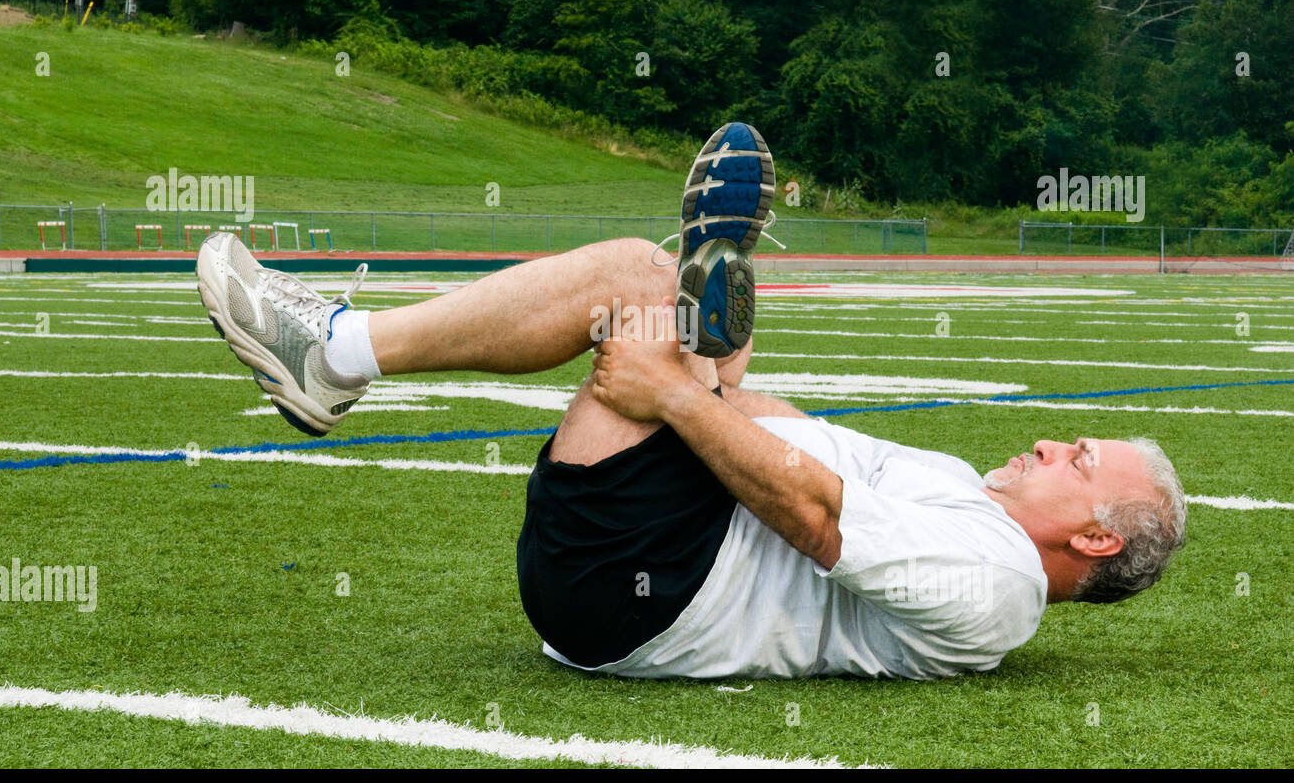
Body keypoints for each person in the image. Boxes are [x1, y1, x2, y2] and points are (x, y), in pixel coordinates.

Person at [194, 123, 1187, 680]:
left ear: (1095, 539)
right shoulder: (959, 492)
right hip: (678, 535)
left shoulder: (1004, 582)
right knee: (663, 295)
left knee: (634, 280)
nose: (1051, 442)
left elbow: (813, 510)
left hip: (650, 589)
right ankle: (698, 289)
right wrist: (716, 364)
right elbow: (791, 436)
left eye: (1078, 460)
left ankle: (335, 352)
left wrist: (674, 382)